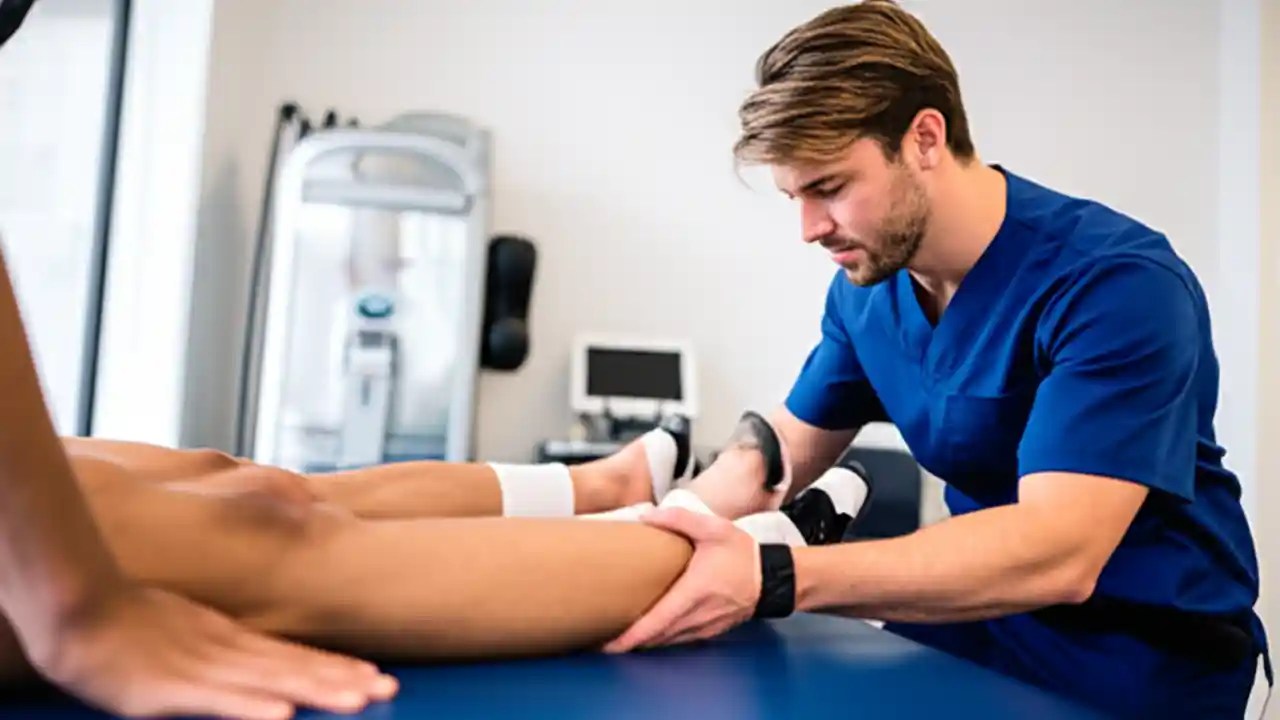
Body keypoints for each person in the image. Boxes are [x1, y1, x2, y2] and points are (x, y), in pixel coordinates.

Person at [602, 2, 1270, 718]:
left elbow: (1058, 551)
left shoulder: (1116, 284)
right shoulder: (868, 292)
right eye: (794, 197)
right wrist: (657, 526)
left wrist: (772, 573)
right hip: (975, 626)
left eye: (829, 187)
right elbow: (783, 448)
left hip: (1145, 659)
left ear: (924, 137)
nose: (807, 229)